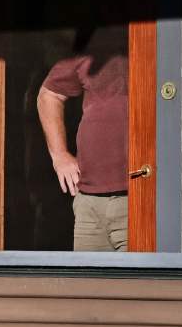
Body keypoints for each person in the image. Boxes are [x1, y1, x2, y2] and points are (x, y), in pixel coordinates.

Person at [36, 25, 130, 251]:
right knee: (89, 284)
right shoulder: (88, 47)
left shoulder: (145, 40)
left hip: (136, 198)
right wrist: (59, 155)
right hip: (88, 200)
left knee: (135, 285)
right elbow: (49, 95)